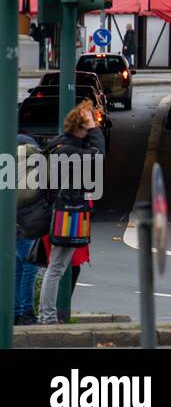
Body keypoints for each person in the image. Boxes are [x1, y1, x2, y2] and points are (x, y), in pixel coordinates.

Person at [38, 101, 103, 325]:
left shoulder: (61, 145)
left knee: (58, 266)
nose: (91, 132)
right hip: (66, 213)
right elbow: (98, 156)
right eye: (87, 128)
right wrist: (94, 129)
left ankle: (46, 314)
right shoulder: (68, 150)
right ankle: (47, 317)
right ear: (80, 127)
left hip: (64, 211)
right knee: (56, 267)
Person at [14, 132, 48, 326]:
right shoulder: (37, 165)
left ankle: (16, 311)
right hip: (31, 223)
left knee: (17, 269)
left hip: (12, 223)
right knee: (29, 269)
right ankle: (26, 311)